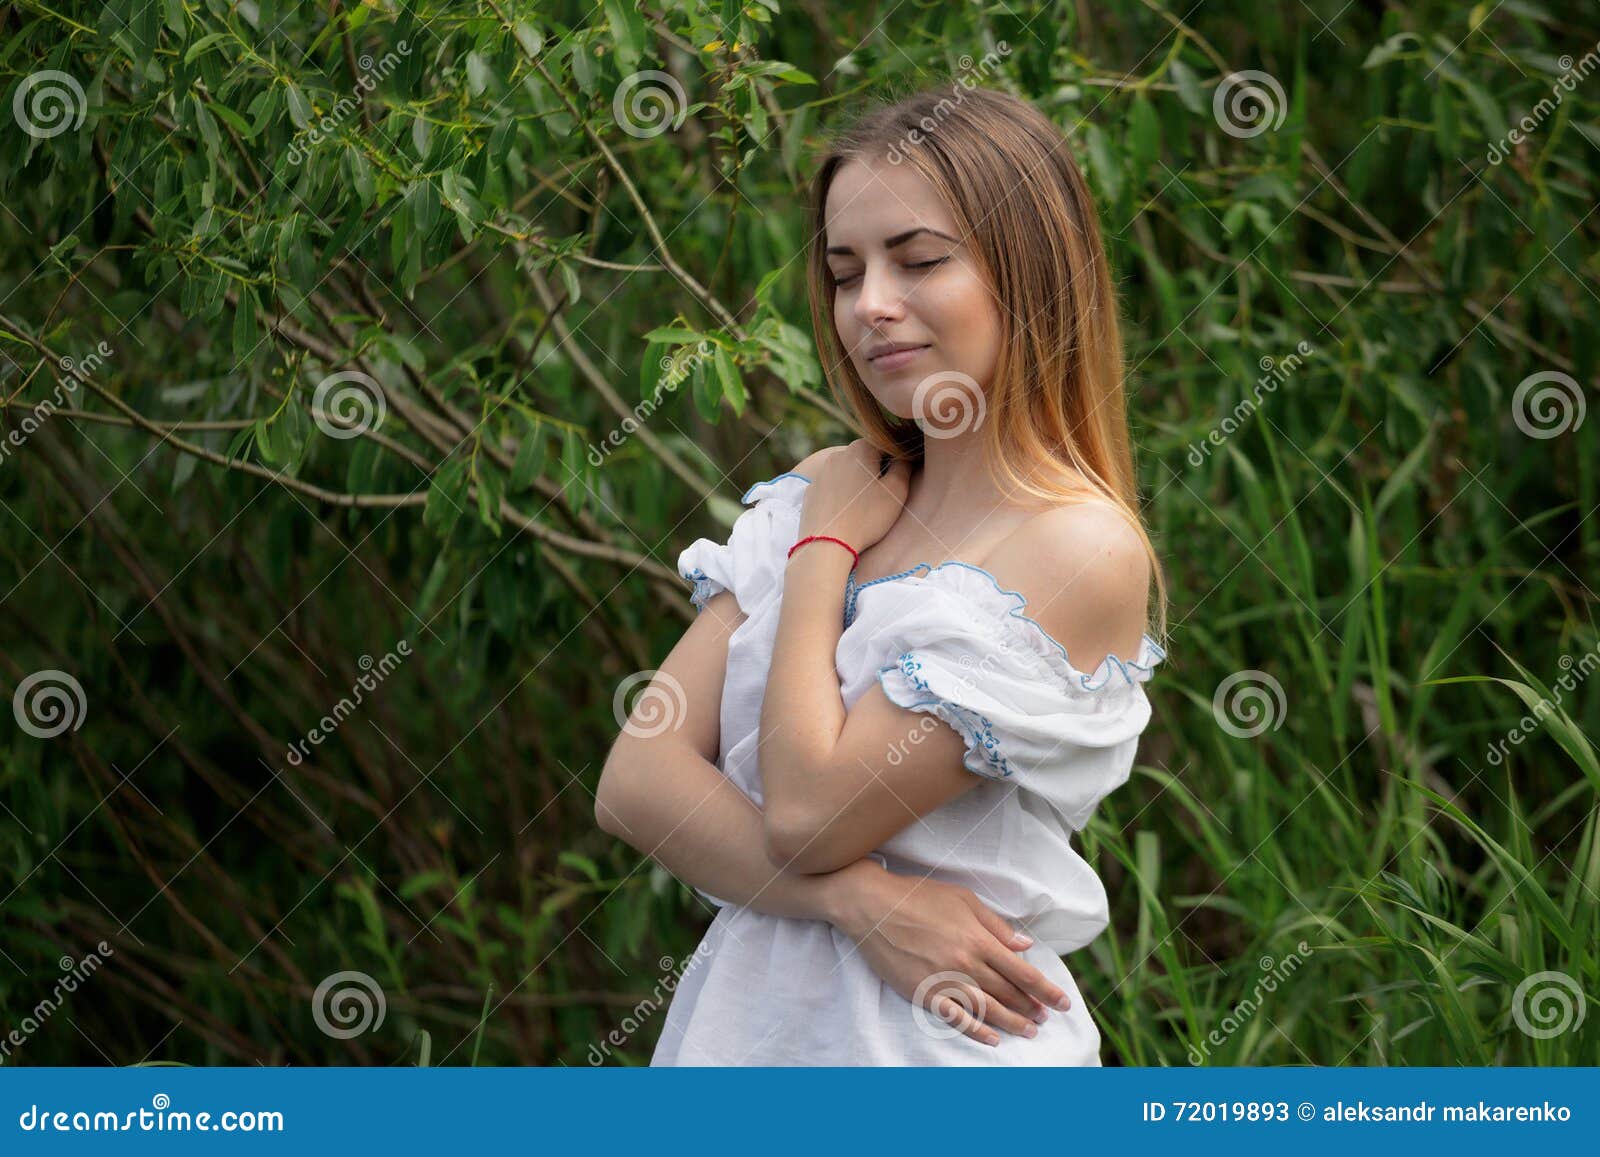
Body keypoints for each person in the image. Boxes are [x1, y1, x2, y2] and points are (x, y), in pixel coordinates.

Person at [596, 85, 1171, 1065]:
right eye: (843, 269)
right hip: (743, 1042)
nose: (870, 305)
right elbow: (638, 779)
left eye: (919, 260)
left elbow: (809, 812)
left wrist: (822, 562)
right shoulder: (824, 491)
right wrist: (864, 900)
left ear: (1026, 272)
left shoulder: (1075, 548)